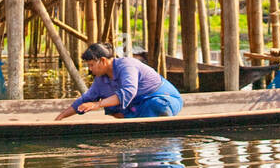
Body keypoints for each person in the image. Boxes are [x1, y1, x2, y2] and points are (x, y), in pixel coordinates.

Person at [54, 43, 184, 120]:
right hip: (138, 105)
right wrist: (60, 117)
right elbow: (84, 100)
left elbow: (128, 92)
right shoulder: (101, 79)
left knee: (157, 104)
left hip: (164, 98)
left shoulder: (126, 65)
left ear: (103, 60)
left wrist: (97, 105)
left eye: (92, 65)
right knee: (112, 107)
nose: (90, 69)